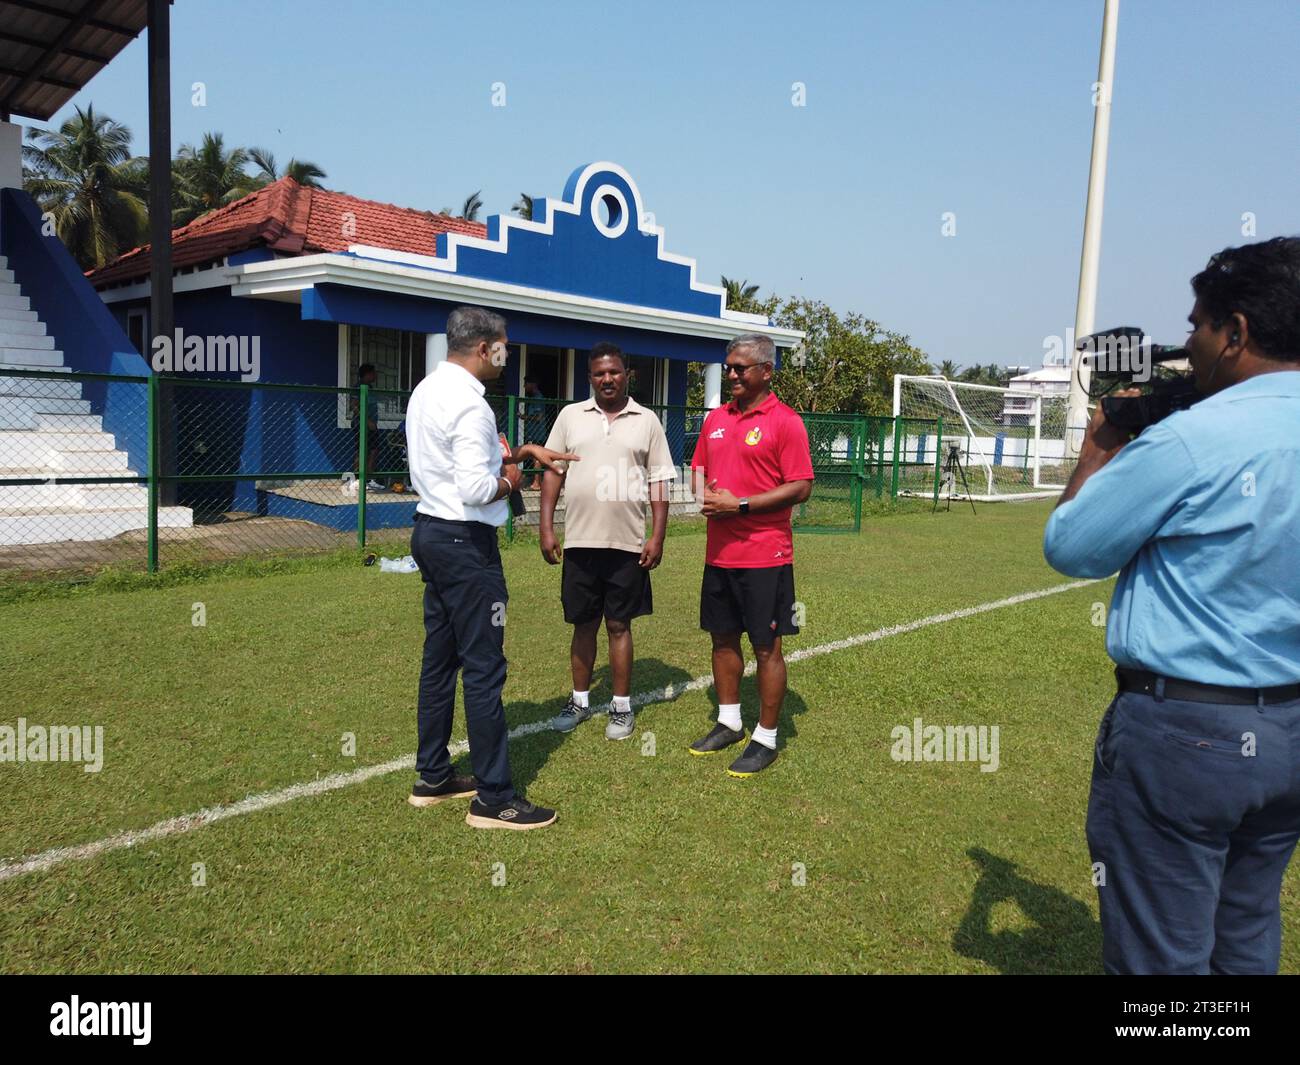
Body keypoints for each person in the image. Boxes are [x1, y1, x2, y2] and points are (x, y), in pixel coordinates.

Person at [1044, 237, 1300, 974]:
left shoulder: (1194, 438)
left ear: (1237, 332)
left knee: (1162, 949)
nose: (1186, 342)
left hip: (1189, 735)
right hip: (1288, 732)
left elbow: (1074, 545)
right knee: (1247, 918)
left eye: (1197, 325)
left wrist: (1101, 443)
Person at [404, 305, 577, 830]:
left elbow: (458, 468)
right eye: (502, 345)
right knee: (484, 667)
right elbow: (479, 488)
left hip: (430, 531)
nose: (506, 353)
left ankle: (432, 775)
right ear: (484, 348)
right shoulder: (473, 408)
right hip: (465, 543)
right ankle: (494, 797)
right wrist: (514, 481)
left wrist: (519, 452)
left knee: (441, 658)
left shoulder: (426, 390)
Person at [687, 333, 814, 776]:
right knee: (721, 638)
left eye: (742, 367)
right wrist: (705, 493)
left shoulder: (785, 422)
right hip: (719, 555)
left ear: (766, 371)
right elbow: (698, 471)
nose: (733, 374)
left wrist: (738, 505)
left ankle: (766, 737)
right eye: (729, 367)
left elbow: (800, 485)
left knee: (766, 647)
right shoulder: (715, 419)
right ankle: (728, 721)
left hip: (765, 556)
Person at [540, 342, 674, 740]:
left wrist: (657, 536)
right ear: (590, 378)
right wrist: (547, 527)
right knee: (583, 624)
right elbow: (553, 473)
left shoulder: (646, 420)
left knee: (619, 624)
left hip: (627, 545)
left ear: (626, 375)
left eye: (614, 372)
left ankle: (620, 707)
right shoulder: (569, 417)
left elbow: (660, 481)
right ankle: (580, 701)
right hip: (580, 543)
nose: (607, 379)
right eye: (599, 373)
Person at [352, 363, 382, 491]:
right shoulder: (359, 387)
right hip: (361, 424)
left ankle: (369, 478)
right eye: (373, 373)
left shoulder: (370, 387)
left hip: (372, 425)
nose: (375, 375)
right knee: (361, 450)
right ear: (368, 374)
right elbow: (354, 406)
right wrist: (367, 421)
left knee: (374, 450)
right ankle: (357, 479)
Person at [523, 376, 548, 490]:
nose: (524, 386)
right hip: (533, 433)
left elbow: (538, 417)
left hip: (537, 433)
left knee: (536, 457)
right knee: (534, 456)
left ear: (532, 384)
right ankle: (537, 482)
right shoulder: (534, 397)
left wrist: (526, 417)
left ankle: (536, 483)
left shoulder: (538, 397)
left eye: (526, 383)